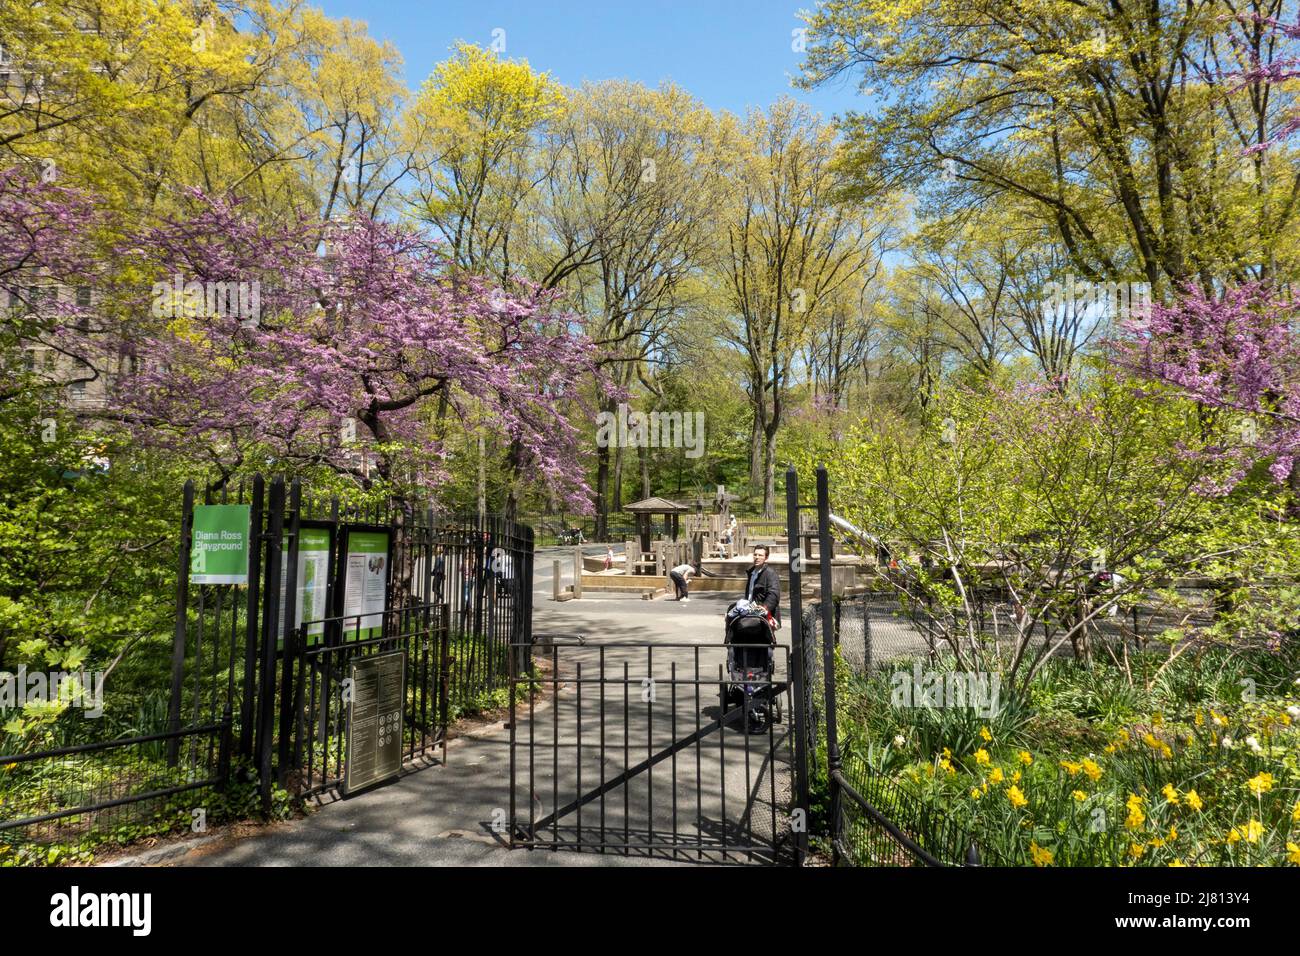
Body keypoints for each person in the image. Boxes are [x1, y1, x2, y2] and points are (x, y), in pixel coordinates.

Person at [741, 544, 781, 626]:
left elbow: (774, 594)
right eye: (755, 555)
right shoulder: (751, 572)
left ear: (766, 558)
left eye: (760, 555)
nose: (757, 557)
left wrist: (765, 607)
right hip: (751, 611)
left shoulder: (770, 574)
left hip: (764, 616)